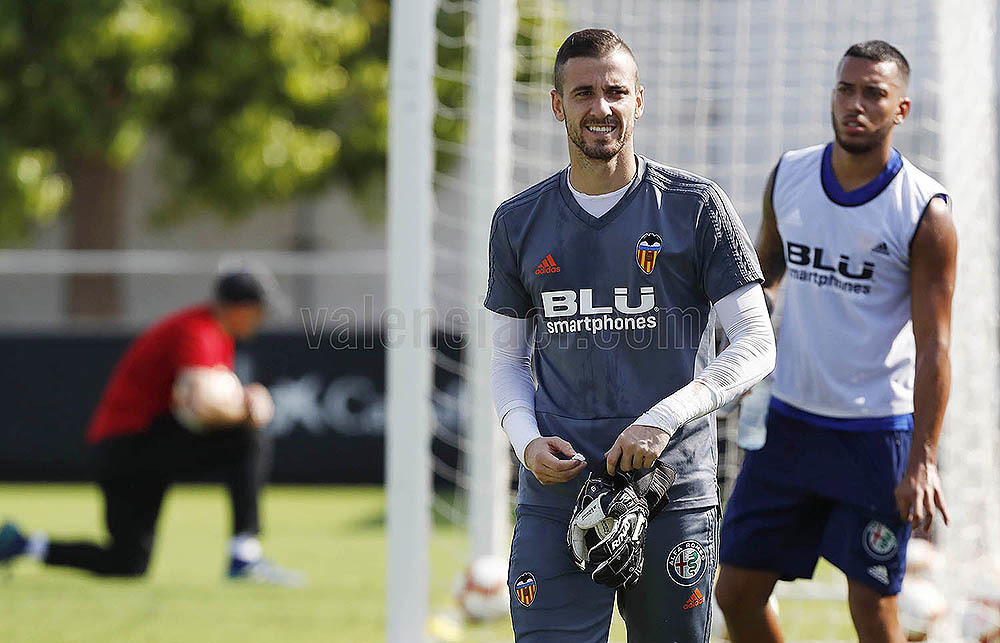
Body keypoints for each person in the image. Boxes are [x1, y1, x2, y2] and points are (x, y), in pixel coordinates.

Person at [486, 29, 775, 641]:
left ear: (639, 100)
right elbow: (507, 358)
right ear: (558, 104)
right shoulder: (517, 222)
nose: (601, 107)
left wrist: (663, 420)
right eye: (583, 93)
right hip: (558, 491)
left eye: (615, 91)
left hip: (671, 487)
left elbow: (756, 342)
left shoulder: (697, 207)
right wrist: (526, 442)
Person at [715, 41, 955, 643]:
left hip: (876, 437)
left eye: (874, 93)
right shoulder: (790, 174)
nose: (856, 104)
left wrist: (923, 458)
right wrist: (731, 339)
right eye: (846, 89)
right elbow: (766, 271)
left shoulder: (924, 212)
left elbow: (935, 345)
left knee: (873, 612)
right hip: (788, 425)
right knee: (736, 593)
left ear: (900, 109)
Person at [0, 269, 303, 586]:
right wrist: (249, 408)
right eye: (259, 310)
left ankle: (22, 544)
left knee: (127, 562)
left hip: (128, 448)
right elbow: (201, 405)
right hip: (131, 445)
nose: (262, 318)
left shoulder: (215, 334)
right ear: (239, 308)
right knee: (247, 439)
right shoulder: (198, 330)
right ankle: (244, 556)